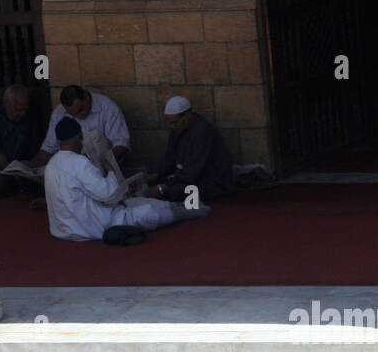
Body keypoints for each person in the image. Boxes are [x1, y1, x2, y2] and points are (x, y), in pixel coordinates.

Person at [43, 116, 207, 242]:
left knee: (133, 202)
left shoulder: (52, 163)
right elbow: (108, 194)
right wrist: (111, 170)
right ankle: (183, 213)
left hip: (64, 229)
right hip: (91, 227)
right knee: (143, 214)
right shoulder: (79, 163)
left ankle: (178, 206)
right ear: (80, 137)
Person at [145, 96, 234, 204]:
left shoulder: (202, 132)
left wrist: (164, 187)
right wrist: (157, 173)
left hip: (211, 180)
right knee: (153, 182)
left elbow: (192, 171)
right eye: (170, 122)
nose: (171, 126)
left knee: (175, 191)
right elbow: (169, 157)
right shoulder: (177, 129)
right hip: (188, 176)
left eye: (174, 122)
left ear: (187, 116)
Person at [31, 84, 131, 170]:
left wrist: (101, 163)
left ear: (86, 97)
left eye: (80, 110)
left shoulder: (107, 107)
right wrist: (31, 166)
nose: (77, 116)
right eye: (72, 114)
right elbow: (48, 148)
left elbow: (121, 144)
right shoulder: (59, 113)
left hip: (103, 167)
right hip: (73, 169)